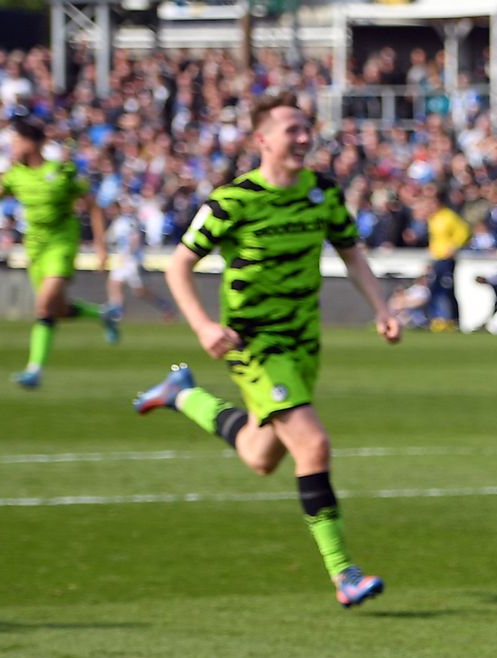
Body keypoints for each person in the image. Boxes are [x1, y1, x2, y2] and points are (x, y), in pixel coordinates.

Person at [132, 93, 401, 608]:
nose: (303, 138)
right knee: (313, 445)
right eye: (291, 130)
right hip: (253, 342)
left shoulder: (322, 192)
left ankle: (181, 395)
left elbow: (351, 251)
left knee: (261, 455)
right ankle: (344, 573)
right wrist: (204, 326)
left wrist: (381, 308)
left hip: (303, 340)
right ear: (262, 140)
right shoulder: (231, 201)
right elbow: (177, 267)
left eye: (306, 129)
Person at [0, 118, 117, 388]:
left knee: (43, 305)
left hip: (62, 242)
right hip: (35, 246)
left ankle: (34, 370)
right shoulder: (14, 175)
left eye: (15, 142)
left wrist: (101, 248)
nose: (11, 147)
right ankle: (102, 314)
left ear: (31, 143)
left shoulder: (62, 172)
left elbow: (93, 206)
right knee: (56, 310)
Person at [106, 196, 170, 321]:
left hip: (131, 260)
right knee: (114, 283)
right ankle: (117, 312)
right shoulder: (118, 222)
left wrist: (130, 253)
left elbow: (135, 237)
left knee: (139, 291)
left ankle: (164, 305)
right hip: (123, 260)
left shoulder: (128, 221)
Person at [426, 190, 471, 331]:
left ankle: (452, 320)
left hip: (447, 259)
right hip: (437, 258)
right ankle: (437, 319)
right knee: (435, 288)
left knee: (447, 289)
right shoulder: (434, 218)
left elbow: (464, 232)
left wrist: (454, 246)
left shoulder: (449, 216)